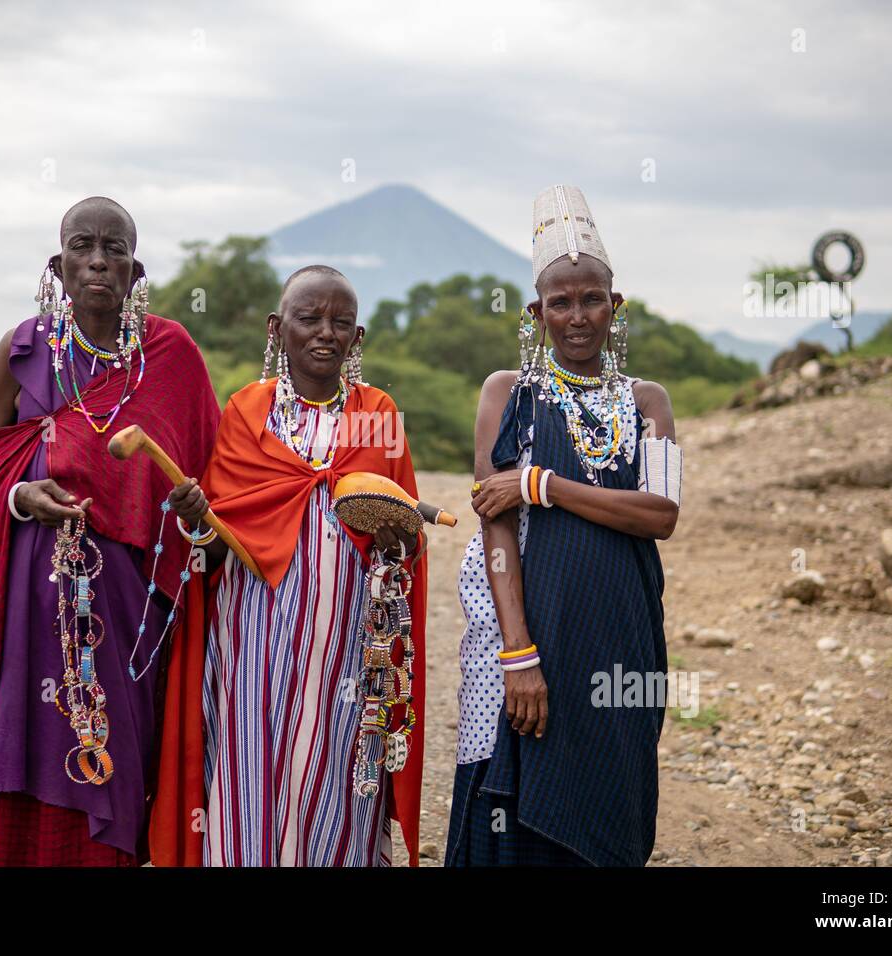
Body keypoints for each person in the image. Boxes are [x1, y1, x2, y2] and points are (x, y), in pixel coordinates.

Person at [0, 197, 219, 866]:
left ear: (136, 272)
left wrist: (197, 514)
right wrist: (21, 496)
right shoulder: (23, 349)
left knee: (114, 746)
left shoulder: (171, 356)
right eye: (82, 246)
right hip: (32, 596)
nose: (98, 259)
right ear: (59, 264)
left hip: (126, 604)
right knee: (24, 735)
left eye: (114, 249)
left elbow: (209, 476)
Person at [150, 265, 429, 866]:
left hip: (348, 640)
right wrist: (199, 519)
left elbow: (410, 550)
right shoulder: (247, 412)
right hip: (252, 633)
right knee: (248, 763)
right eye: (309, 319)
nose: (325, 333)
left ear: (358, 339)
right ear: (278, 329)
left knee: (336, 769)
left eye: (341, 323)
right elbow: (218, 545)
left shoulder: (378, 413)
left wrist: (396, 534)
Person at [445, 185, 682, 866]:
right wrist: (517, 655)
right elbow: (496, 531)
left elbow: (660, 516)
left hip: (623, 634)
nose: (577, 316)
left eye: (591, 299)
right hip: (537, 641)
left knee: (614, 803)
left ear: (616, 305)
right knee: (519, 819)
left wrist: (542, 484)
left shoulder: (649, 403)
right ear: (537, 312)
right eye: (561, 302)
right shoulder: (507, 394)